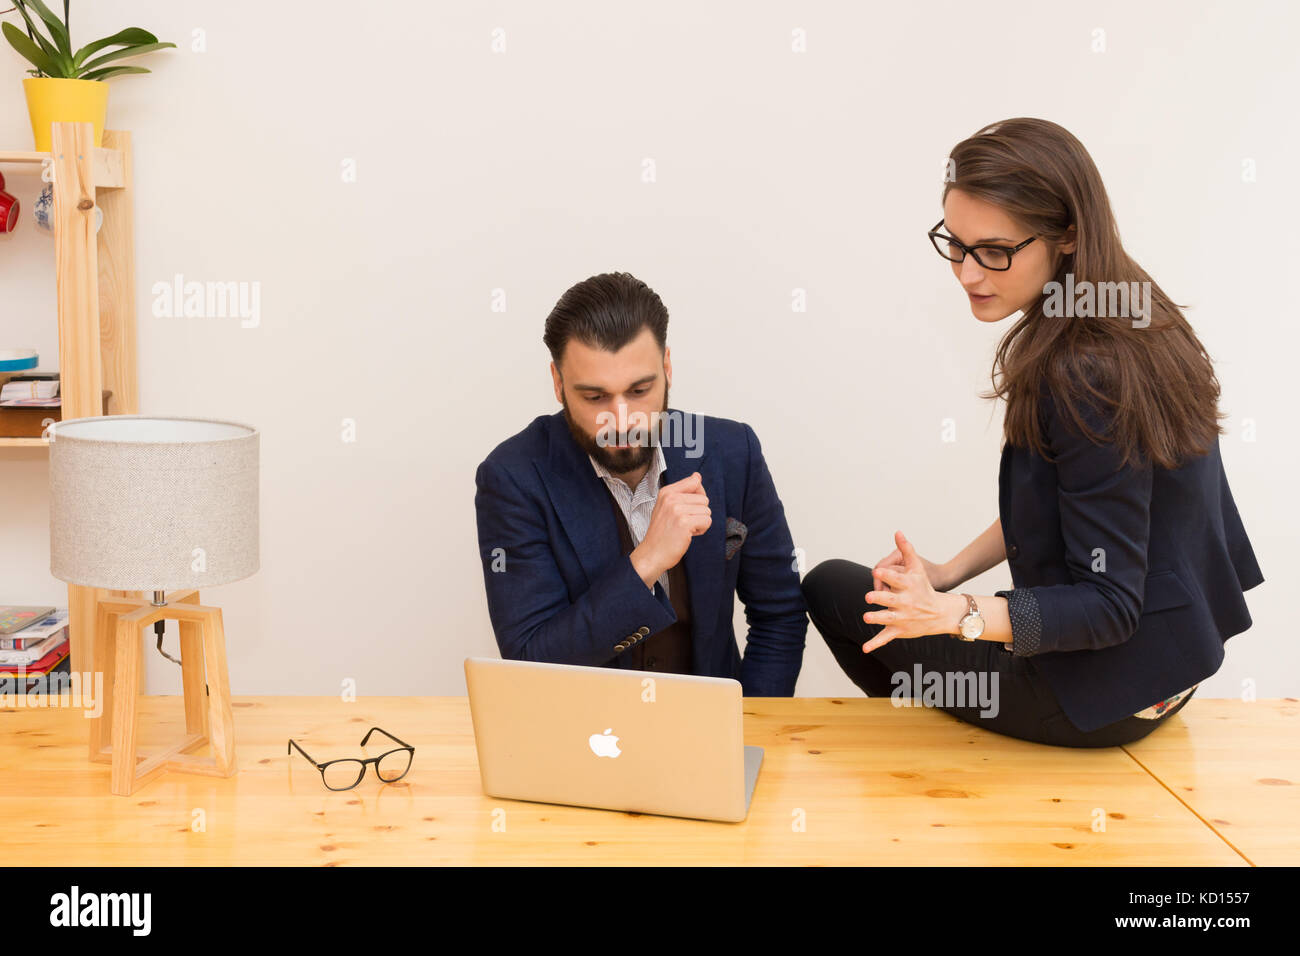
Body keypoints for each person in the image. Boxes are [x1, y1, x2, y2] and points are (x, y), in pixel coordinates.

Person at [802, 117, 1264, 747]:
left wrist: (953, 614)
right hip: (1168, 668)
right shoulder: (1131, 304)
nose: (967, 273)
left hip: (1104, 695)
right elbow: (1078, 501)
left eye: (994, 251)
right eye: (956, 244)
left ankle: (965, 755)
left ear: (1066, 236)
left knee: (833, 588)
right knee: (901, 608)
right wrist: (947, 574)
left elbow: (1109, 604)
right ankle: (977, 731)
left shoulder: (1083, 370)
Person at [474, 271, 807, 695]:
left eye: (639, 390)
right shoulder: (512, 477)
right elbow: (529, 660)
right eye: (595, 397)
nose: (621, 419)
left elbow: (780, 614)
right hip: (582, 737)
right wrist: (646, 562)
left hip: (709, 733)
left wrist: (751, 728)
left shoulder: (732, 451)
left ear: (667, 367)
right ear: (558, 384)